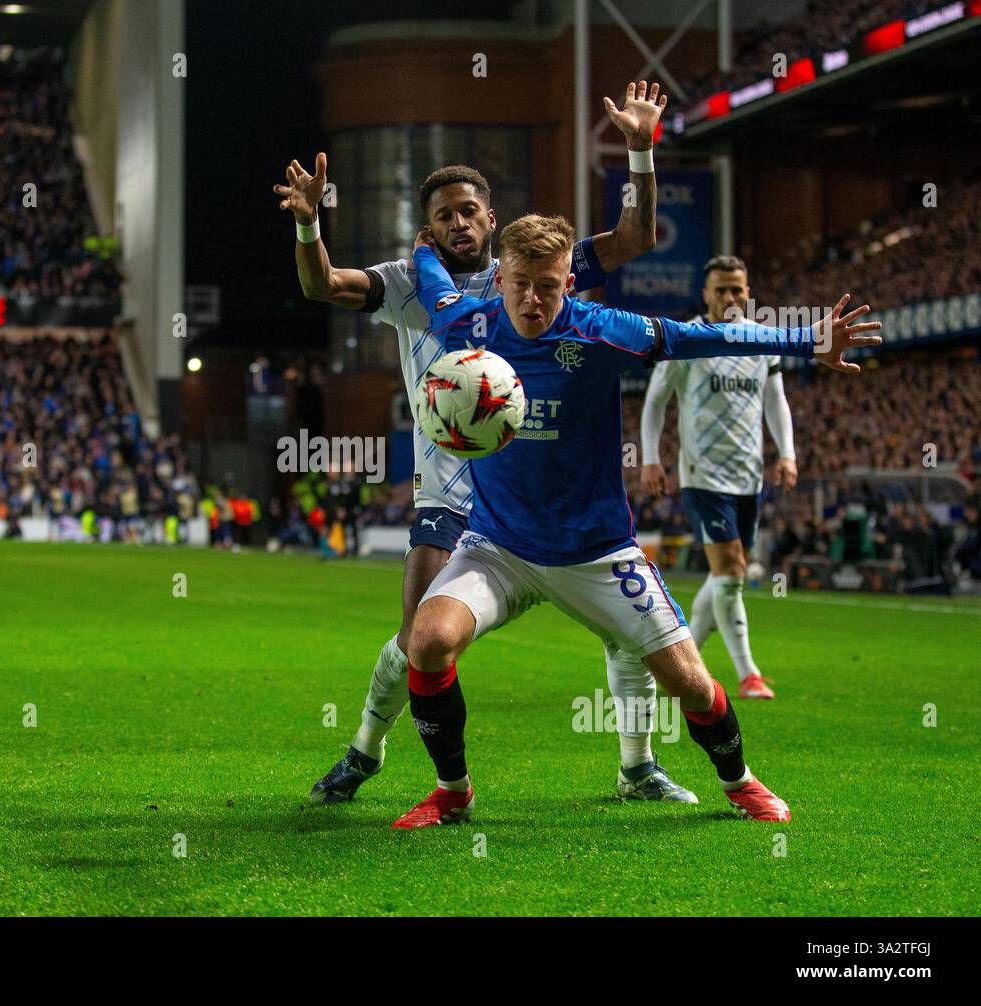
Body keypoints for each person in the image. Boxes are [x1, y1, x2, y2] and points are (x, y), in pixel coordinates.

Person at [277, 81, 695, 803]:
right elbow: (323, 288)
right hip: (454, 499)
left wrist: (640, 151)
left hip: (547, 489)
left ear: (491, 218)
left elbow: (633, 239)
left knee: (628, 632)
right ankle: (364, 751)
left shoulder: (531, 274)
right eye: (445, 216)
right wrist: (310, 226)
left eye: (470, 210)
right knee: (417, 642)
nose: (459, 223)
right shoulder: (410, 283)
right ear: (428, 230)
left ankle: (638, 766)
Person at [393, 213, 881, 827]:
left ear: (570, 279)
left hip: (597, 551)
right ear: (501, 277)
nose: (532, 299)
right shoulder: (468, 321)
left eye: (548, 284)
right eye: (519, 283)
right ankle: (452, 790)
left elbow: (693, 338)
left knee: (695, 686)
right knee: (429, 640)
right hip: (497, 546)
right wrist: (423, 251)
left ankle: (740, 781)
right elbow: (435, 286)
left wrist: (806, 341)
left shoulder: (600, 331)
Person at [640, 255, 796, 699]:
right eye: (721, 290)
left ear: (748, 292)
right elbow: (655, 402)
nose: (730, 297)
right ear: (706, 295)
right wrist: (650, 458)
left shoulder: (763, 341)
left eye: (737, 289)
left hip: (749, 477)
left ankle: (680, 662)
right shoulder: (687, 339)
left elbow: (775, 401)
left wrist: (786, 453)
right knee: (730, 572)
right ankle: (748, 673)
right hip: (702, 474)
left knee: (728, 575)